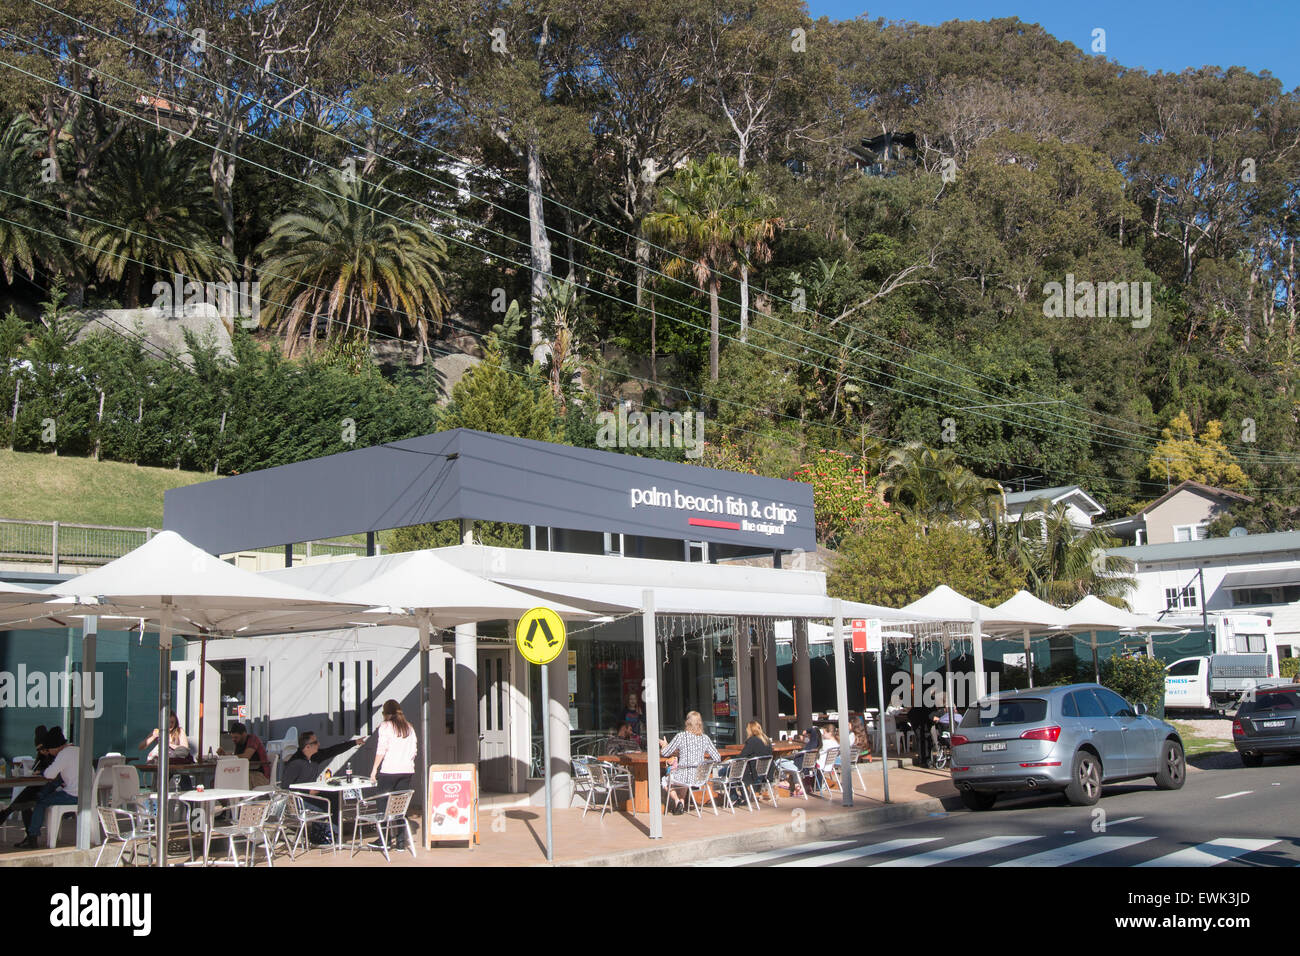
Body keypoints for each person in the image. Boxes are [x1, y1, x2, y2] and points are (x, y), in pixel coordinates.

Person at [282, 732, 365, 844]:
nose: (319, 744)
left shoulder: (315, 757)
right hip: (298, 799)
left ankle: (334, 834)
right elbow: (285, 786)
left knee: (334, 797)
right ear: (307, 747)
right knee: (324, 805)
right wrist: (308, 791)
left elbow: (333, 750)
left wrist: (354, 742)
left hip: (310, 795)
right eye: (315, 742)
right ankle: (321, 835)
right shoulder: (295, 762)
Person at [14, 728, 77, 849]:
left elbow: (49, 775)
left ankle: (32, 837)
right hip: (86, 793)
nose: (47, 751)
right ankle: (31, 834)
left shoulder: (63, 755)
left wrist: (42, 773)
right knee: (47, 790)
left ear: (55, 747)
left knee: (41, 802)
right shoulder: (77, 750)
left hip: (74, 795)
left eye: (48, 749)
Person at [368, 699, 417, 849]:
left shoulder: (385, 726)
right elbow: (414, 751)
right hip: (406, 770)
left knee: (383, 805)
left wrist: (374, 768)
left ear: (386, 713)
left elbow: (381, 749)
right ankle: (401, 842)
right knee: (400, 806)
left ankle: (384, 839)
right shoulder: (409, 727)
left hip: (389, 770)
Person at [659, 711, 720, 815]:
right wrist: (705, 763)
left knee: (664, 780)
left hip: (684, 775)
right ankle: (681, 804)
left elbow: (665, 753)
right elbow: (717, 757)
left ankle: (677, 800)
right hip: (700, 778)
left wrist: (664, 744)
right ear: (700, 723)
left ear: (687, 722)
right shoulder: (705, 738)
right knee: (685, 781)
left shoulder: (681, 736)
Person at [0, 725, 50, 830]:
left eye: (43, 748)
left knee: (26, 800)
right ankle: (31, 838)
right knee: (26, 802)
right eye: (38, 749)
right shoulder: (41, 757)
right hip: (39, 787)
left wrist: (41, 772)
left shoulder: (55, 755)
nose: (41, 751)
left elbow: (51, 774)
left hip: (52, 788)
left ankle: (7, 812)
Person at [220, 722, 271, 787]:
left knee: (236, 781)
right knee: (227, 778)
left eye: (236, 737)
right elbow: (237, 759)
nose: (233, 740)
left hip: (260, 775)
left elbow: (246, 756)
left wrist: (230, 757)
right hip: (247, 773)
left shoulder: (253, 739)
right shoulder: (238, 743)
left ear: (244, 734)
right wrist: (225, 755)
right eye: (232, 737)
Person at [737, 719, 773, 795]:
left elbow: (742, 756)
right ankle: (746, 795)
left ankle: (739, 797)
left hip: (754, 773)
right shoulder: (767, 740)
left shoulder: (752, 741)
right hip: (766, 772)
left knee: (729, 772)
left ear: (750, 730)